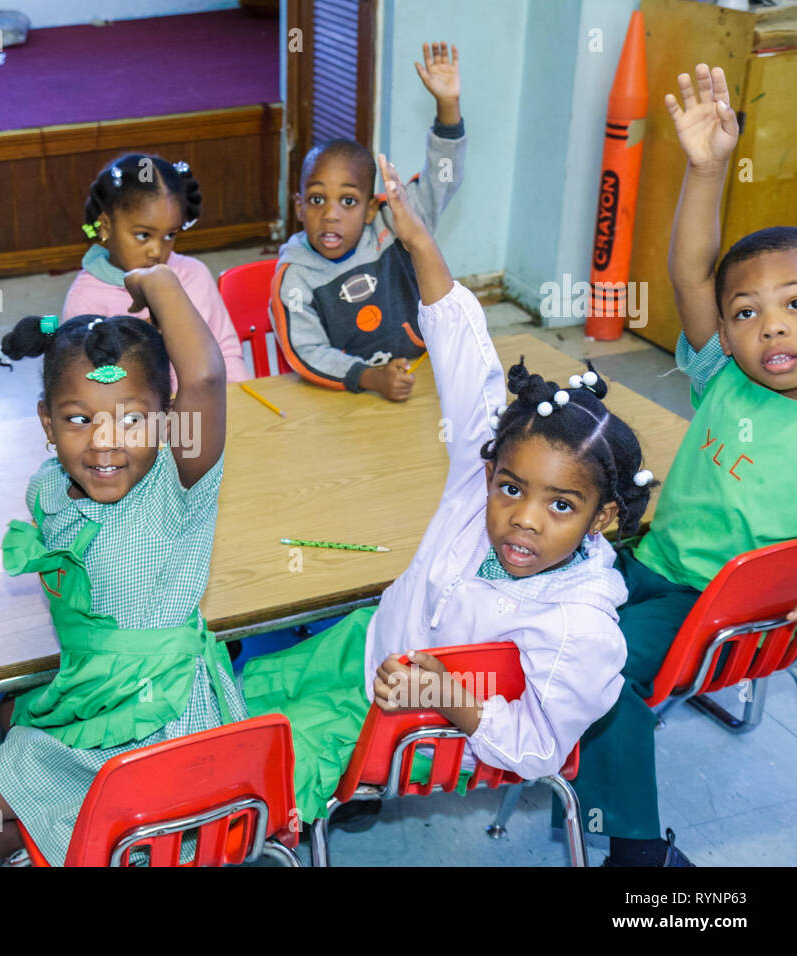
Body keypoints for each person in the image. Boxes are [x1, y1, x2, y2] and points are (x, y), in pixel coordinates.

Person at [242, 155, 651, 830]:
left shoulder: (582, 627)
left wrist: (447, 694)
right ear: (490, 469)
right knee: (233, 699)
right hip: (364, 644)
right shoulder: (479, 480)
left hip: (404, 729)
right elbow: (466, 357)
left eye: (560, 505)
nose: (520, 518)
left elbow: (540, 746)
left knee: (251, 776)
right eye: (511, 487)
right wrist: (420, 244)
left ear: (603, 517)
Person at [568, 64, 797, 867]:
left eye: (793, 304)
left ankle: (640, 854)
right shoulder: (724, 377)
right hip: (647, 561)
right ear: (726, 337)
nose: (770, 328)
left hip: (710, 608)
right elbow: (690, 273)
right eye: (746, 313)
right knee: (517, 575)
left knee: (602, 670)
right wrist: (705, 169)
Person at [0, 265, 245, 864]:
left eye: (132, 417)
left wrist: (157, 281)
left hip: (162, 726)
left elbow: (207, 376)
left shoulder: (175, 482)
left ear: (168, 421)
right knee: (8, 718)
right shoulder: (49, 488)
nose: (105, 442)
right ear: (46, 424)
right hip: (95, 692)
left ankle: (107, 847)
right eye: (80, 418)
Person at [272, 42, 465, 400]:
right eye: (316, 200)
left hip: (424, 377)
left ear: (371, 208)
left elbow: (442, 178)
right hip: (345, 400)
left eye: (348, 201)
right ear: (299, 208)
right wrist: (370, 378)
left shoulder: (393, 225)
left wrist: (448, 108)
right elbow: (306, 352)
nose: (330, 215)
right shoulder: (295, 276)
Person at [61, 153, 250, 388]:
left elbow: (227, 352)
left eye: (170, 235)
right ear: (105, 226)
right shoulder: (86, 297)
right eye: (143, 235)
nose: (157, 251)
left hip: (204, 410)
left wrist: (239, 399)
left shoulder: (194, 275)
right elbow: (82, 381)